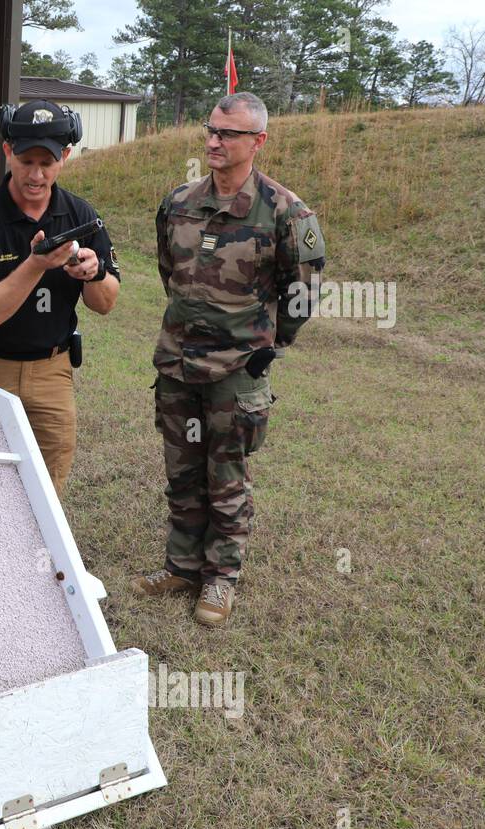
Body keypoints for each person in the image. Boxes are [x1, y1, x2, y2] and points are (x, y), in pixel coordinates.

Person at [131, 91, 325, 626]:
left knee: (226, 475)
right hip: (176, 362)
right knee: (181, 470)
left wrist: (264, 345)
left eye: (228, 133)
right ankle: (181, 565)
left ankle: (220, 579)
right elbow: (171, 273)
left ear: (257, 141)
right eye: (211, 130)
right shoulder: (178, 202)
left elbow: (303, 295)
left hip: (236, 371)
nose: (214, 141)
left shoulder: (287, 212)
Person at [0, 99, 121, 495]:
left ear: (66, 156)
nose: (36, 175)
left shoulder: (81, 215)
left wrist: (94, 272)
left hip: (52, 372)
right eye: (26, 161)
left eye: (48, 162)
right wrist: (37, 263)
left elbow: (105, 303)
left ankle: (37, 560)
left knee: (46, 492)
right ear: (8, 151)